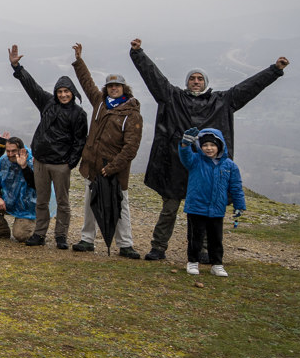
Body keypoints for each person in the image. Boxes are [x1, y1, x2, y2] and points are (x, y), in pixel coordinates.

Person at [129, 38, 288, 261]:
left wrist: (274, 70)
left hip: (206, 167)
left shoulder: (222, 101)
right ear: (187, 82)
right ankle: (158, 247)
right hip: (176, 164)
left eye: (199, 78)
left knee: (202, 210)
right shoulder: (173, 97)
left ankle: (202, 249)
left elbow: (250, 87)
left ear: (205, 82)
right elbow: (153, 76)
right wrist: (138, 53)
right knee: (169, 209)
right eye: (192, 79)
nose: (196, 81)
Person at [8, 45, 88, 250]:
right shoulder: (47, 103)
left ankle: (61, 236)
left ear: (72, 92)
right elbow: (31, 86)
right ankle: (40, 234)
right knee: (41, 201)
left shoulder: (79, 114)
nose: (63, 95)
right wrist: (17, 67)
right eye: (60, 91)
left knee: (63, 203)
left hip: (61, 164)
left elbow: (80, 140)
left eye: (66, 91)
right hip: (41, 161)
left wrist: (70, 163)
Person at [69, 44, 143, 258]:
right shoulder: (100, 103)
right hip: (93, 165)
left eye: (117, 86)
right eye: (110, 86)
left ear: (124, 89)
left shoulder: (132, 114)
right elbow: (87, 83)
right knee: (90, 204)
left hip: (115, 170)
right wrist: (79, 60)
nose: (113, 89)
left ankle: (125, 244)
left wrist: (112, 168)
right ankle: (87, 240)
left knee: (121, 207)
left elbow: (131, 148)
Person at [179, 128, 245, 277]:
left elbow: (236, 187)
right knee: (195, 237)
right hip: (196, 207)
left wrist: (239, 205)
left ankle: (217, 264)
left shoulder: (229, 166)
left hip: (217, 208)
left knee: (216, 238)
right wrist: (185, 144)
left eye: (212, 145)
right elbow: (185, 156)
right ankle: (193, 262)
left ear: (220, 145)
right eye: (205, 145)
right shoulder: (195, 160)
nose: (209, 148)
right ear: (200, 147)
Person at [0, 136, 38, 242]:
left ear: (21, 150)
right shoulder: (3, 161)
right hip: (9, 200)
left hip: (27, 206)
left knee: (21, 236)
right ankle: (2, 230)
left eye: (13, 151)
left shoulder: (31, 161)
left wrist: (24, 167)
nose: (10, 154)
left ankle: (33, 225)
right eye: (8, 151)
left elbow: (36, 185)